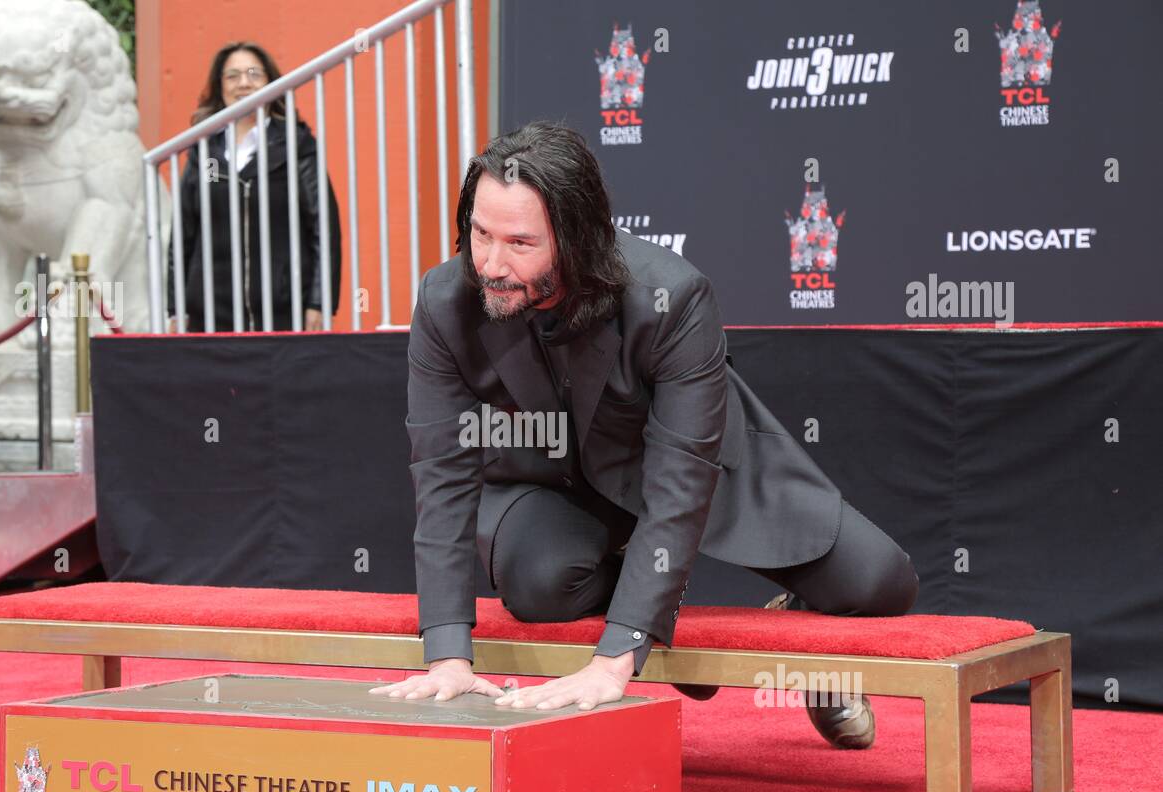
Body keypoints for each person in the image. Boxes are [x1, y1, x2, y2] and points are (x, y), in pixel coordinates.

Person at [371, 121, 919, 749]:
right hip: (554, 485)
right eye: (479, 234)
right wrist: (446, 653)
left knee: (880, 582)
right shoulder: (446, 300)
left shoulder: (672, 295)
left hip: (689, 462)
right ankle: (655, 604)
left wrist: (617, 658)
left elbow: (682, 479)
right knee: (541, 582)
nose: (491, 264)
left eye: (520, 243)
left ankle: (802, 663)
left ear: (575, 241)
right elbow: (441, 472)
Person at [171, 42, 342, 332]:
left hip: (284, 310)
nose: (244, 83)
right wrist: (177, 307)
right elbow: (183, 233)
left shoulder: (295, 144)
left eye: (254, 73)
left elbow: (322, 227)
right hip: (211, 312)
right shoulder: (204, 148)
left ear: (271, 83)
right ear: (219, 86)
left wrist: (319, 301)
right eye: (232, 76)